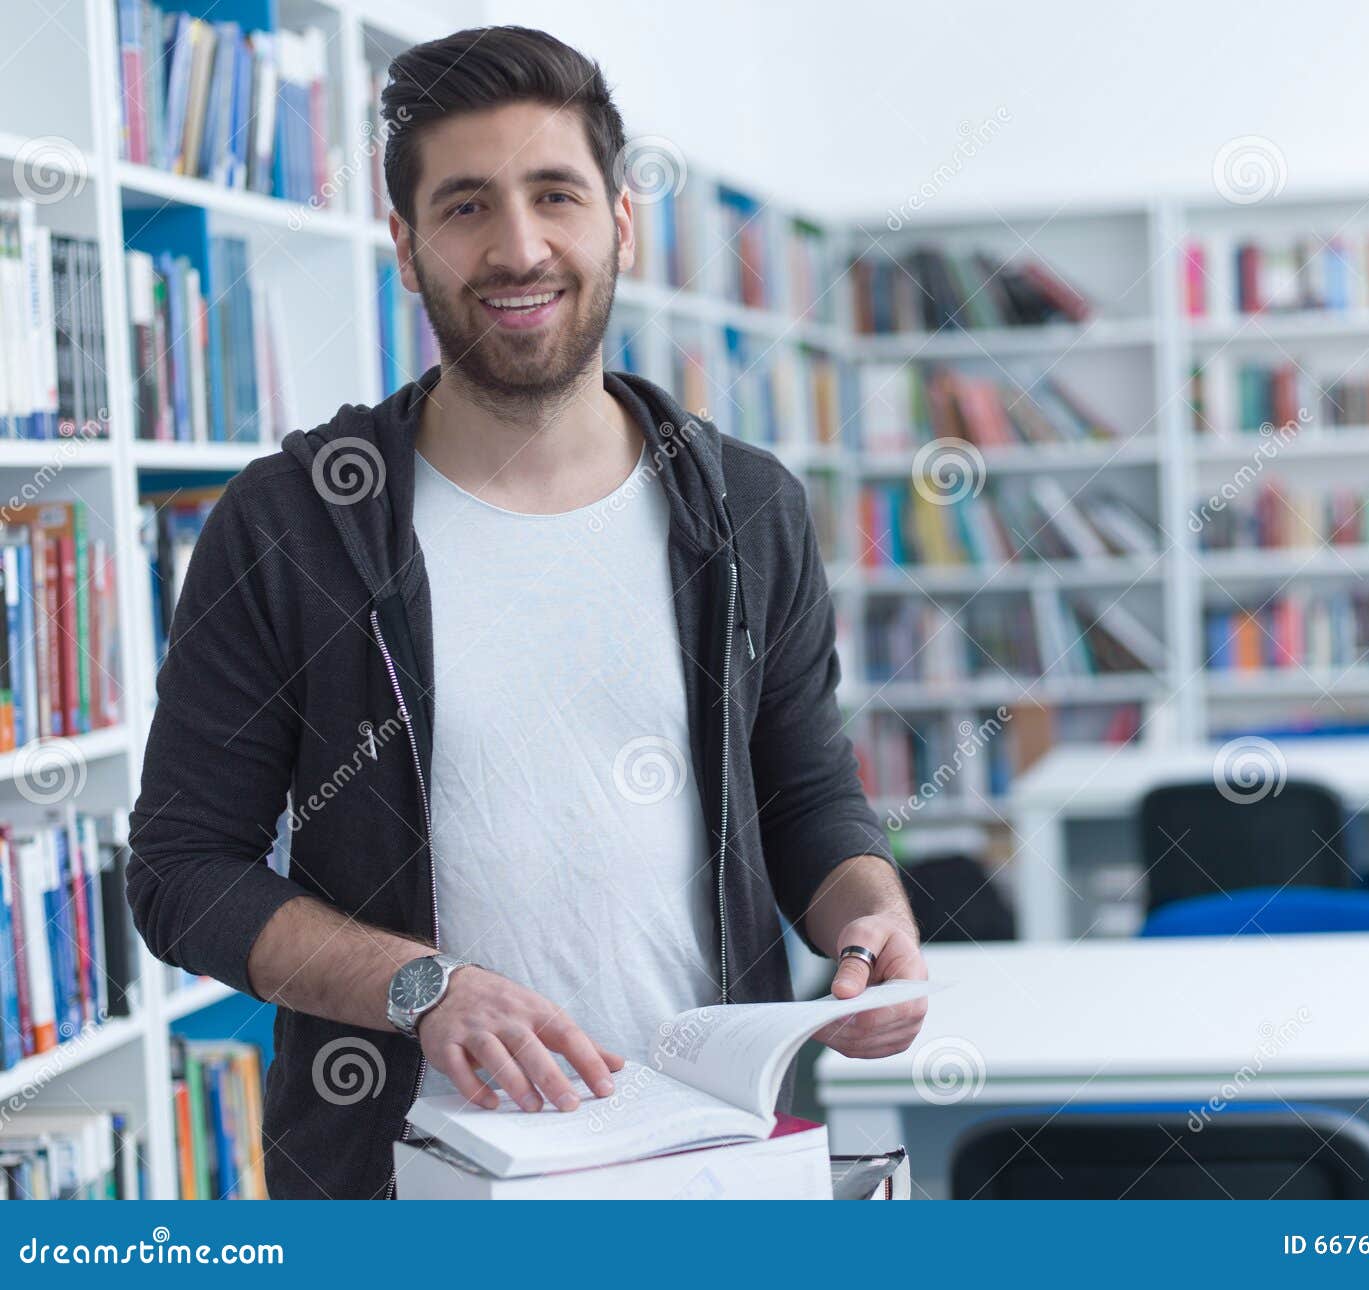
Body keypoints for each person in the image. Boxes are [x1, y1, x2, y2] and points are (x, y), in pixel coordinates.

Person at [127, 24, 927, 1200]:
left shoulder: (745, 506)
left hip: (712, 1164)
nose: (517, 247)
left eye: (554, 193)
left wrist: (871, 913)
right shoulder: (290, 522)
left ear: (620, 220)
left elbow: (805, 795)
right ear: (404, 247)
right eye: (464, 207)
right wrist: (422, 987)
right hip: (402, 1176)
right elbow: (181, 869)